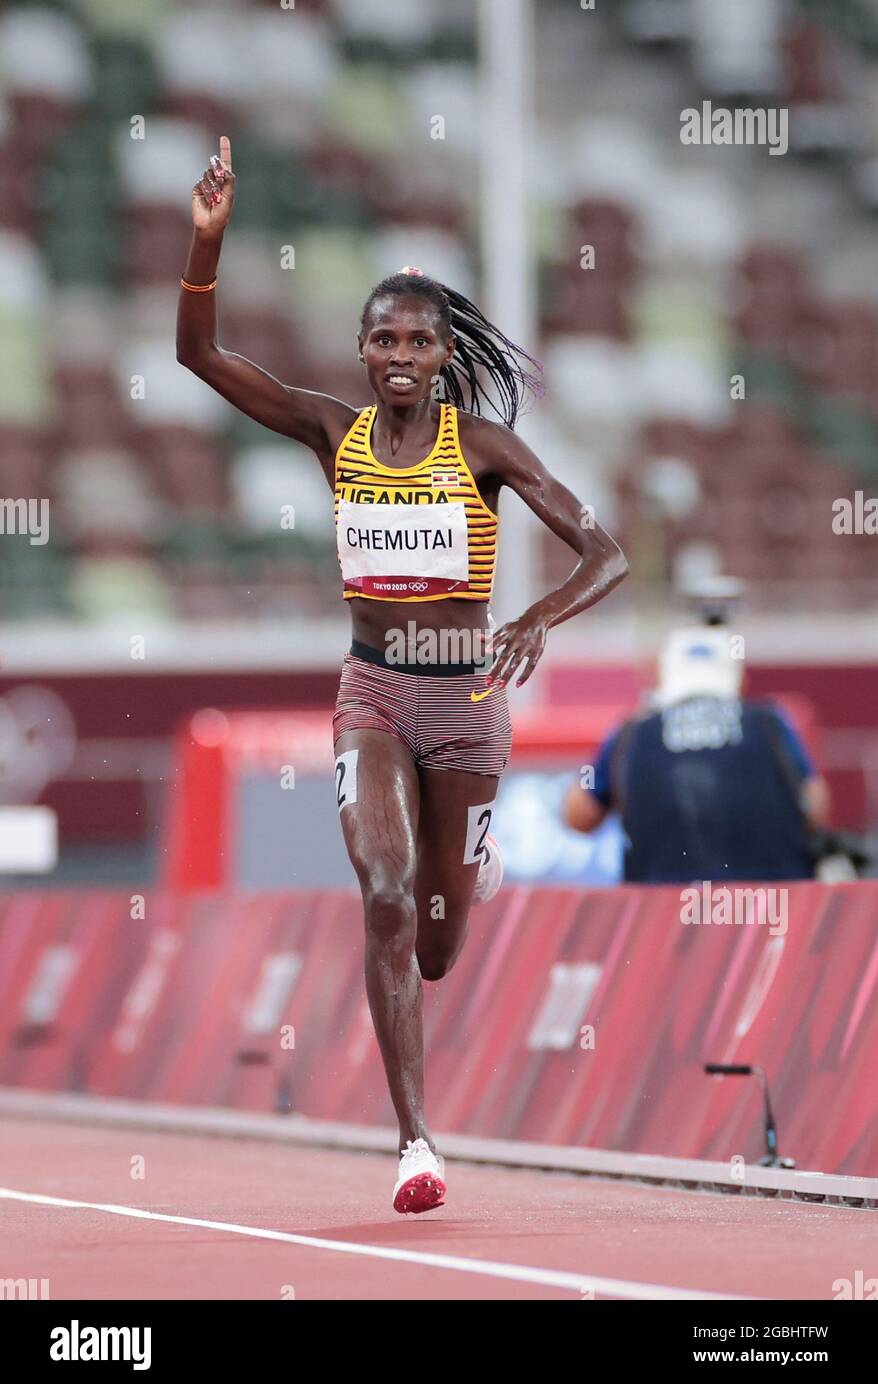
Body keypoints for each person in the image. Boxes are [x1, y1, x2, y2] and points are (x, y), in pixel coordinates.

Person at [177, 138, 628, 1212]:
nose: (396, 353)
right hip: (371, 692)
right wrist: (207, 244)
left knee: (433, 943)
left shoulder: (482, 446)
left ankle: (467, 864)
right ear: (363, 346)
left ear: (437, 357)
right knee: (382, 893)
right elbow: (199, 356)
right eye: (381, 336)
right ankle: (415, 1142)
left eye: (416, 341)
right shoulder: (330, 431)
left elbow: (605, 550)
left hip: (466, 702)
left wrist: (536, 614)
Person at [562, 623, 830, 884]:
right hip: (772, 907)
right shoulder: (769, 723)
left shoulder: (634, 731)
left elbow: (578, 814)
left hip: (665, 911)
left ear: (663, 677)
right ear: (739, 679)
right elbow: (816, 808)